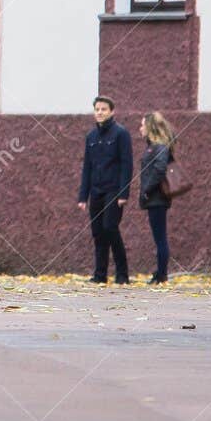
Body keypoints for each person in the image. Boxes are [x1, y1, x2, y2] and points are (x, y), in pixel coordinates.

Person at [77, 95, 132, 284]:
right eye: (97, 109)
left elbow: (127, 164)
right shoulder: (91, 136)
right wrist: (83, 196)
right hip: (96, 191)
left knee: (110, 227)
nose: (100, 112)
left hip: (114, 190)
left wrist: (124, 193)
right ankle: (100, 275)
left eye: (103, 109)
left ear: (111, 112)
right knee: (98, 232)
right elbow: (87, 167)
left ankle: (122, 274)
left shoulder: (121, 134)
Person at [137, 111, 175, 284]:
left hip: (157, 198)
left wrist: (146, 189)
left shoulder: (159, 147)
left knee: (160, 237)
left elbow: (160, 170)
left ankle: (161, 274)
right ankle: (161, 273)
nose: (140, 128)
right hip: (155, 198)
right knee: (159, 236)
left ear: (150, 126)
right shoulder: (154, 146)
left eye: (143, 125)